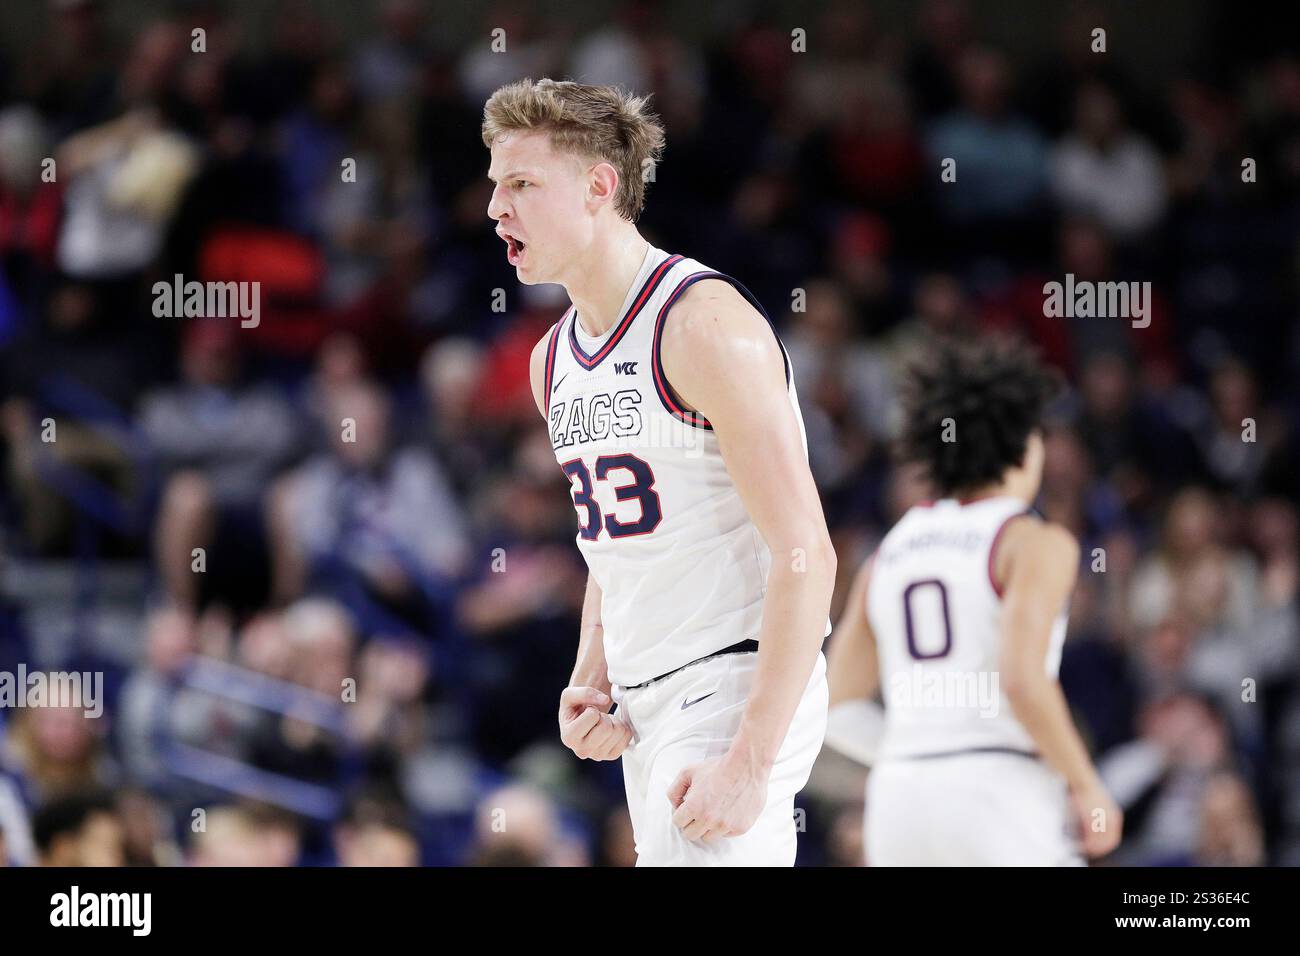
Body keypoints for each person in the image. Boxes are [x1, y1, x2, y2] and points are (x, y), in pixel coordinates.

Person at [483, 78, 834, 865]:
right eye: (495, 186)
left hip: (734, 682)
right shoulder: (551, 363)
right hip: (647, 704)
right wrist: (591, 672)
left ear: (598, 187)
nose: (496, 208)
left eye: (522, 184)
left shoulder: (702, 324)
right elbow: (613, 545)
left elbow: (807, 553)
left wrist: (750, 762)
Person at [825, 338, 1122, 865]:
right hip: (999, 790)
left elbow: (836, 706)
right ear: (1025, 444)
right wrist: (1086, 783)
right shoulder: (1034, 542)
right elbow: (1022, 680)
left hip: (899, 801)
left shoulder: (890, 551)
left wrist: (922, 749)